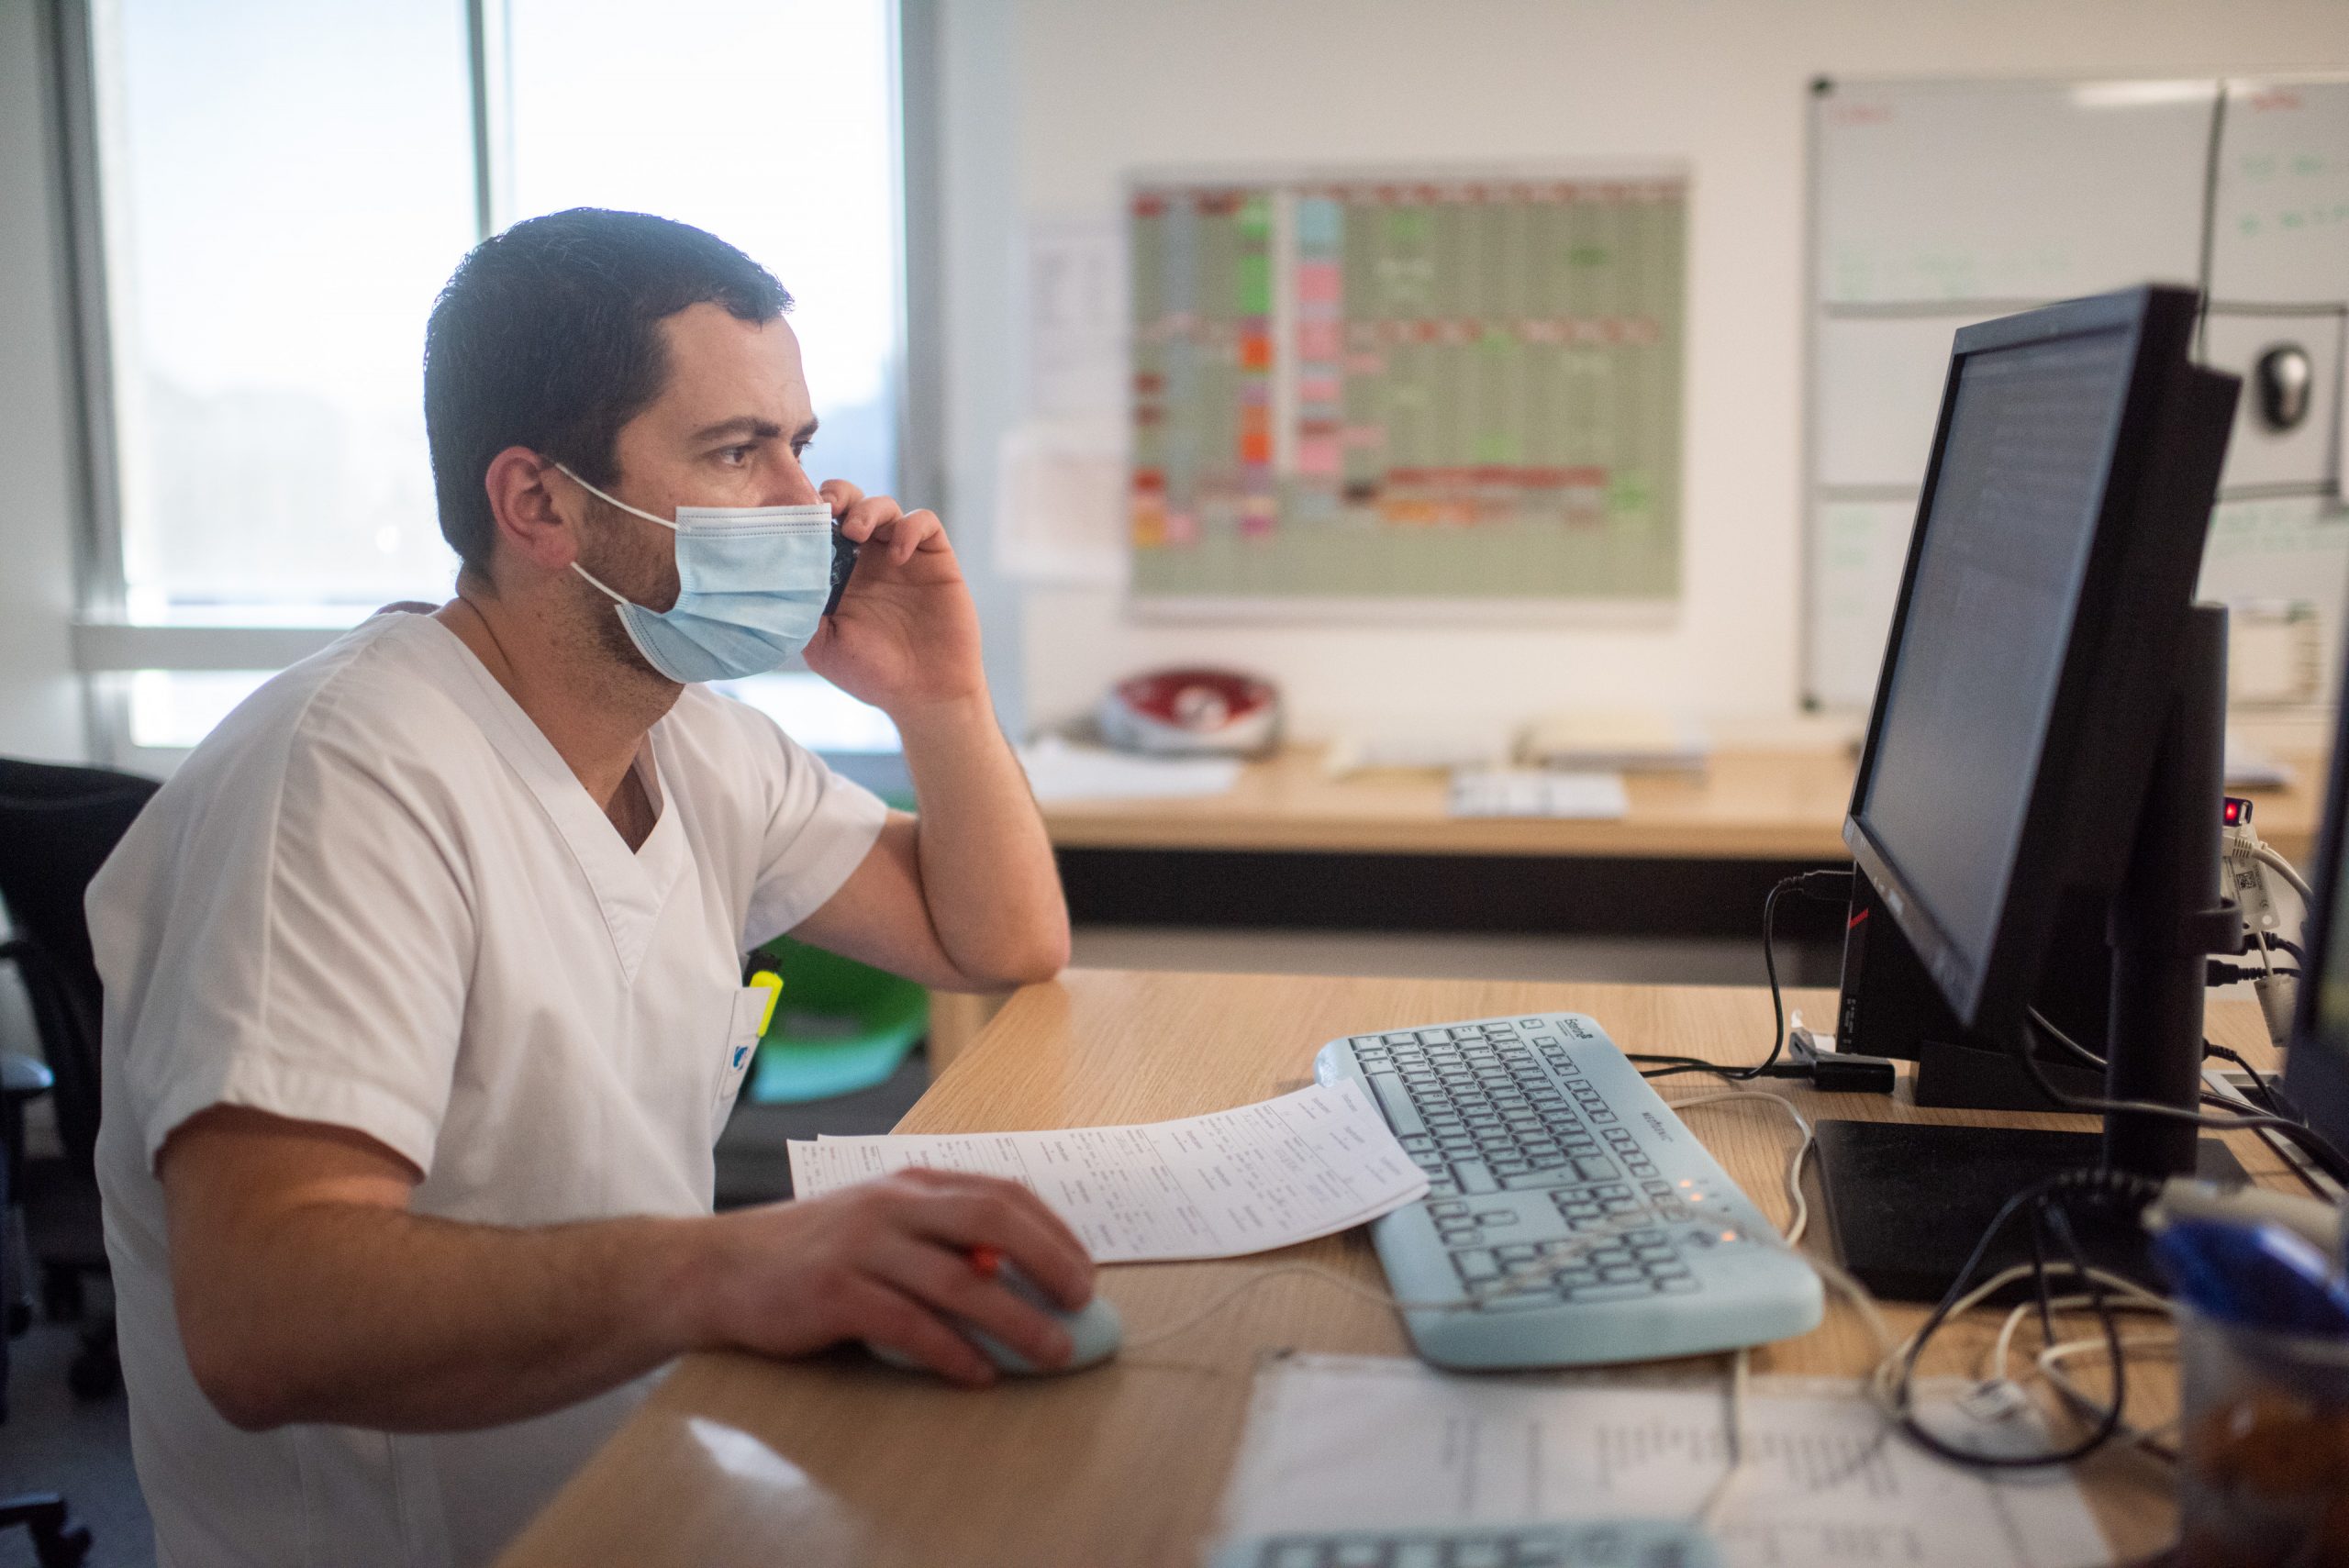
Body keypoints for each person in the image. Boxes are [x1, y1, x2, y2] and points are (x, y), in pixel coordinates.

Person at [90, 207, 1090, 1568]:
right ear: (540, 503)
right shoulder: (341, 777)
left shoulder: (696, 738)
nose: (811, 508)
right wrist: (737, 1264)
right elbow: (262, 1317)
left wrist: (943, 698)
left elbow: (998, 938)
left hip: (640, 1483)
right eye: (740, 452)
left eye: (802, 445)